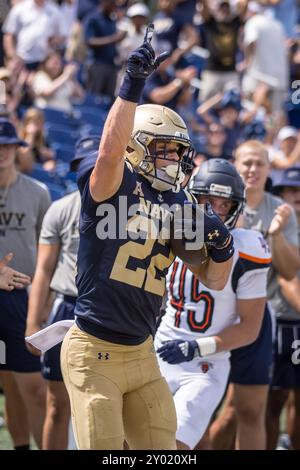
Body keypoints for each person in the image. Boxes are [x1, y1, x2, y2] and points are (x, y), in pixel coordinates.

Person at [60, 26, 235, 450]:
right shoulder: (112, 187)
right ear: (137, 147)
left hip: (142, 354)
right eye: (166, 149)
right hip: (94, 349)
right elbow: (107, 153)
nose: (176, 159)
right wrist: (132, 84)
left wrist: (223, 245)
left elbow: (212, 279)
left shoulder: (180, 202)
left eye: (179, 152)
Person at [155, 159, 271, 450]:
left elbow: (249, 328)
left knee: (174, 446)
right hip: (159, 351)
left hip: (205, 365)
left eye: (224, 204)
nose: (215, 212)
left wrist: (198, 347)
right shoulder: (170, 229)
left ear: (235, 208)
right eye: (207, 200)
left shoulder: (248, 248)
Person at [210, 140, 300, 450]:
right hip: (212, 317)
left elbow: (289, 271)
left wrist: (274, 235)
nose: (252, 169)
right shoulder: (215, 199)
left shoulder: (279, 209)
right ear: (234, 163)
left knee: (247, 410)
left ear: (269, 168)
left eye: (260, 163)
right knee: (207, 410)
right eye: (247, 162)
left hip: (256, 321)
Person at [25, 137, 95, 449]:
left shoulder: (127, 211)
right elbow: (43, 270)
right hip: (68, 307)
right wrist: (33, 322)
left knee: (108, 406)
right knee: (58, 404)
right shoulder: (61, 209)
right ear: (76, 169)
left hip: (108, 310)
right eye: (85, 166)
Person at [0, 117, 51, 449]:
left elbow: (48, 250)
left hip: (21, 299)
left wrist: (43, 301)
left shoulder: (37, 192)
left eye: (7, 145)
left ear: (17, 149)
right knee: (7, 379)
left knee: (31, 386)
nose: (2, 152)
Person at [266, 167, 300, 450]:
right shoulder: (278, 226)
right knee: (271, 401)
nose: (297, 196)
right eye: (291, 190)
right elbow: (286, 280)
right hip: (279, 323)